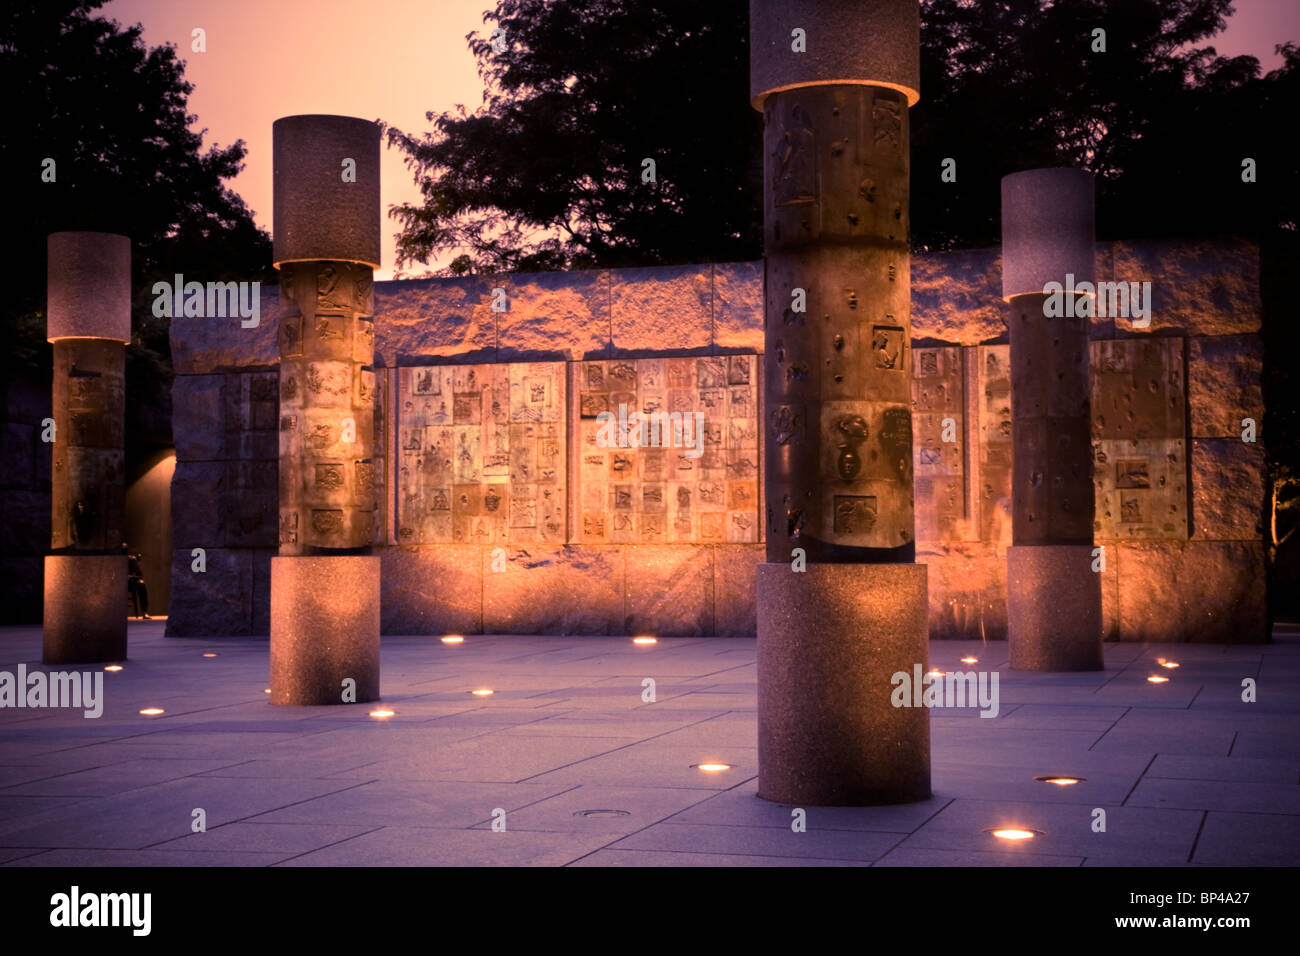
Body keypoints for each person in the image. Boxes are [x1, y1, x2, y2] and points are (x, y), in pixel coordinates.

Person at [123, 543, 150, 619]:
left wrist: (133, 577)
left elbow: (139, 574)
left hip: (130, 582)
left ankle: (145, 612)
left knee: (142, 585)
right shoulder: (115, 560)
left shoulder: (131, 559)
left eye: (125, 550)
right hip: (118, 583)